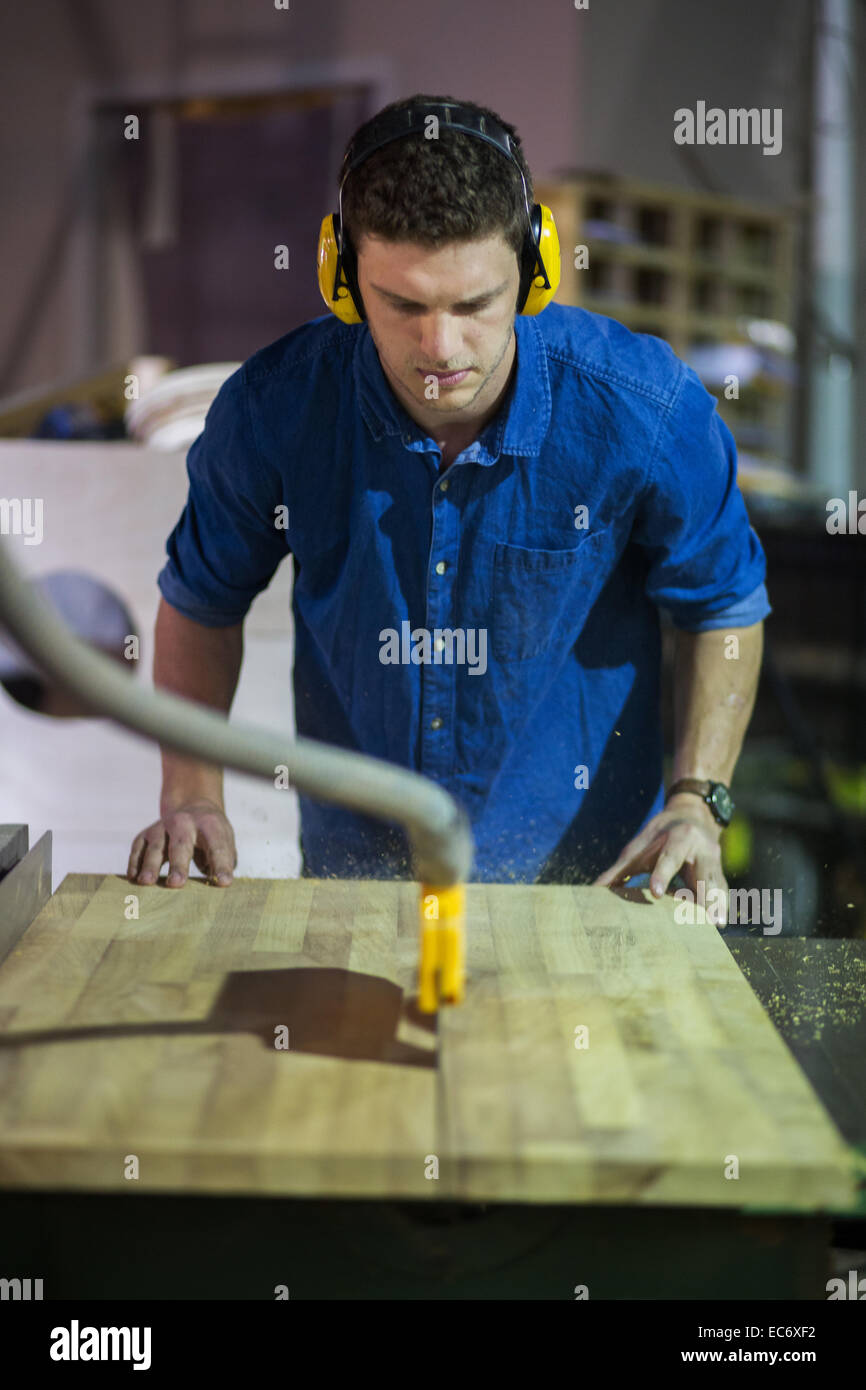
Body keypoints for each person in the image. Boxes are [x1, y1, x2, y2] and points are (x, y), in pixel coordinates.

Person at [127, 94, 770, 918]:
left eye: (474, 304)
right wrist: (191, 793)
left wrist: (697, 799)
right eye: (403, 304)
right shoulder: (275, 411)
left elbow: (723, 603)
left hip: (604, 889)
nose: (441, 348)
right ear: (341, 275)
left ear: (535, 269)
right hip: (360, 884)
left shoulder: (645, 413)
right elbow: (201, 601)